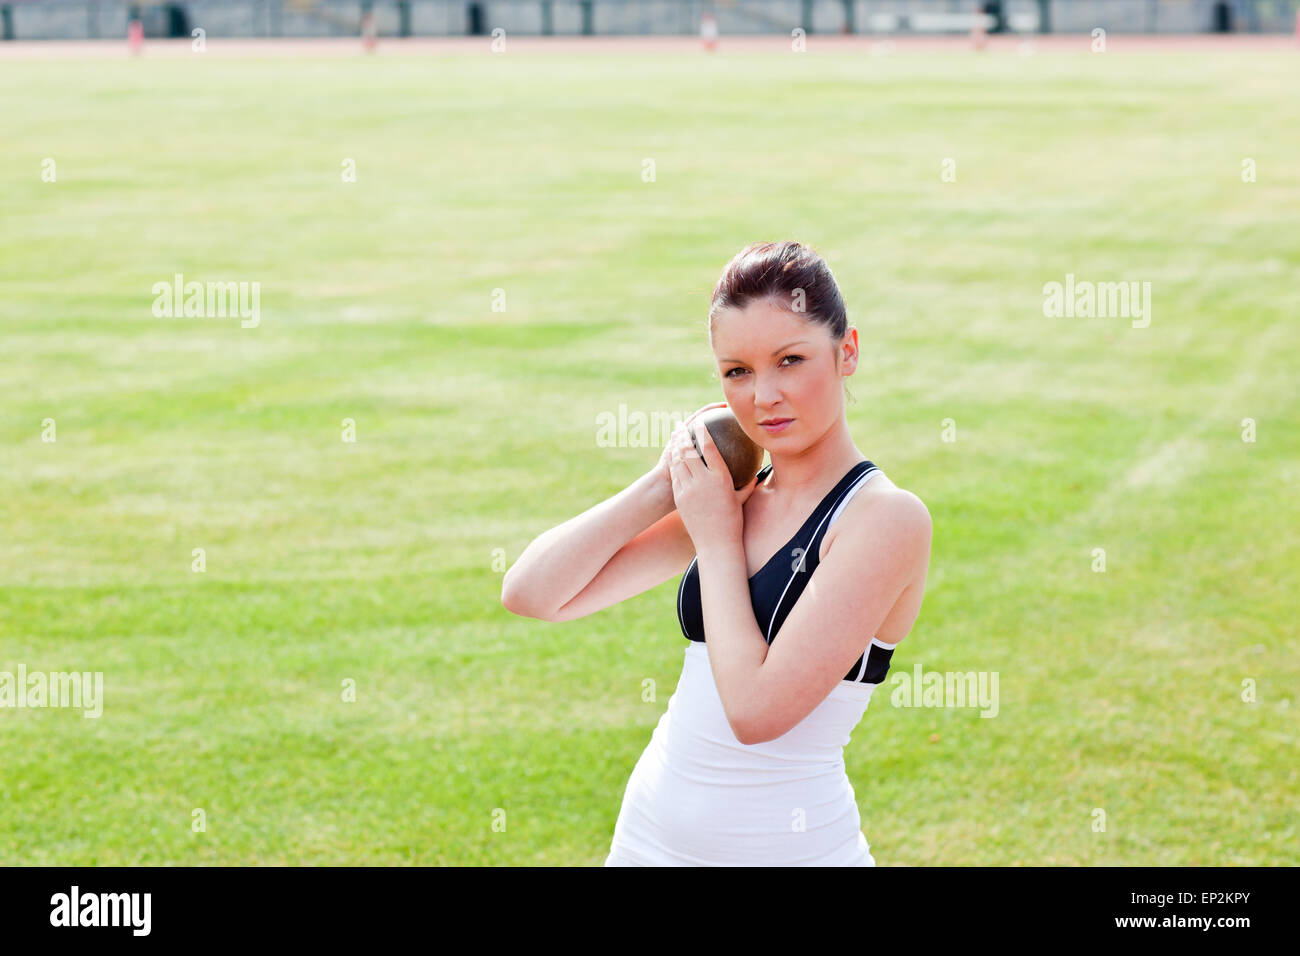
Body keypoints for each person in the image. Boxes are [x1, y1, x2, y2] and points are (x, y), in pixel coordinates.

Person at [502, 240, 932, 865]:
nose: (764, 396)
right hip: (647, 842)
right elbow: (532, 595)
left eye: (790, 360)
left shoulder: (884, 520)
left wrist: (713, 535)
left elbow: (757, 712)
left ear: (848, 353)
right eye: (737, 371)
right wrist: (660, 485)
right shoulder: (731, 502)